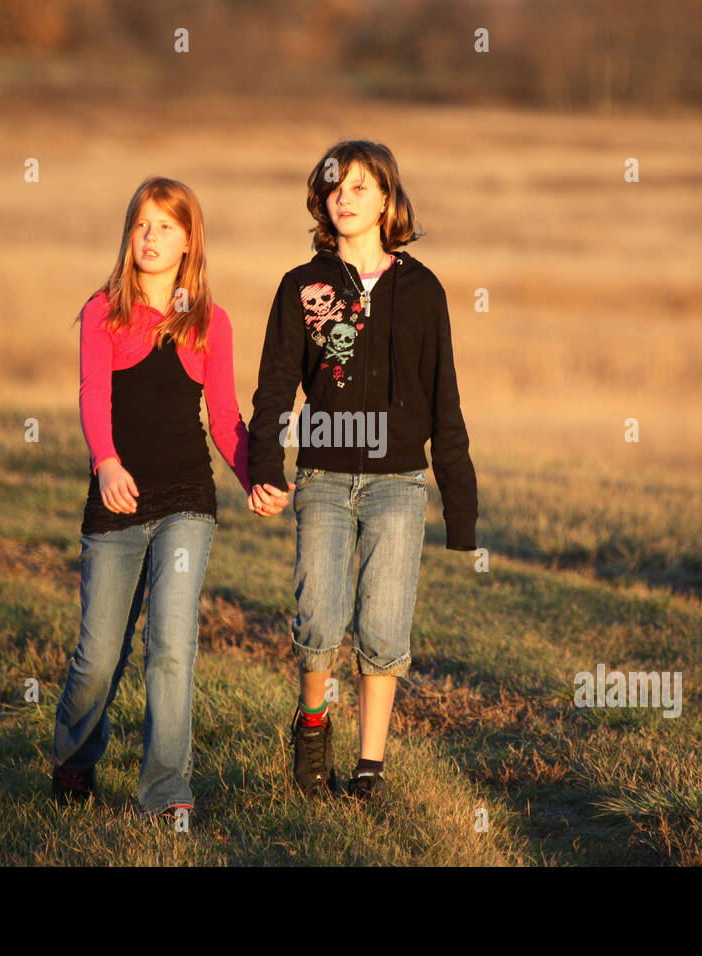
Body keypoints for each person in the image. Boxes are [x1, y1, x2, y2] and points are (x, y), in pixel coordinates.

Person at [247, 141, 479, 804]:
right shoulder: (302, 287)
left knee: (382, 630)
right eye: (333, 189)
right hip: (321, 475)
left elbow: (446, 399)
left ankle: (369, 770)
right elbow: (273, 388)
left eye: (358, 187)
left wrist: (460, 509)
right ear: (321, 202)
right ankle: (313, 727)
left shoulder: (423, 290)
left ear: (387, 199)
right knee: (319, 620)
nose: (344, 198)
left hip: (398, 484)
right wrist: (266, 465)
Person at [51, 176, 250, 819]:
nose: (152, 236)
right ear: (128, 235)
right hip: (116, 501)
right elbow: (92, 397)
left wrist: (258, 478)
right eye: (142, 224)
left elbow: (224, 418)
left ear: (190, 240)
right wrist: (105, 463)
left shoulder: (209, 323)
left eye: (166, 225)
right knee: (98, 655)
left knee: (171, 644)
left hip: (187, 499)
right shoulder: (102, 312)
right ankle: (76, 760)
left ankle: (166, 794)